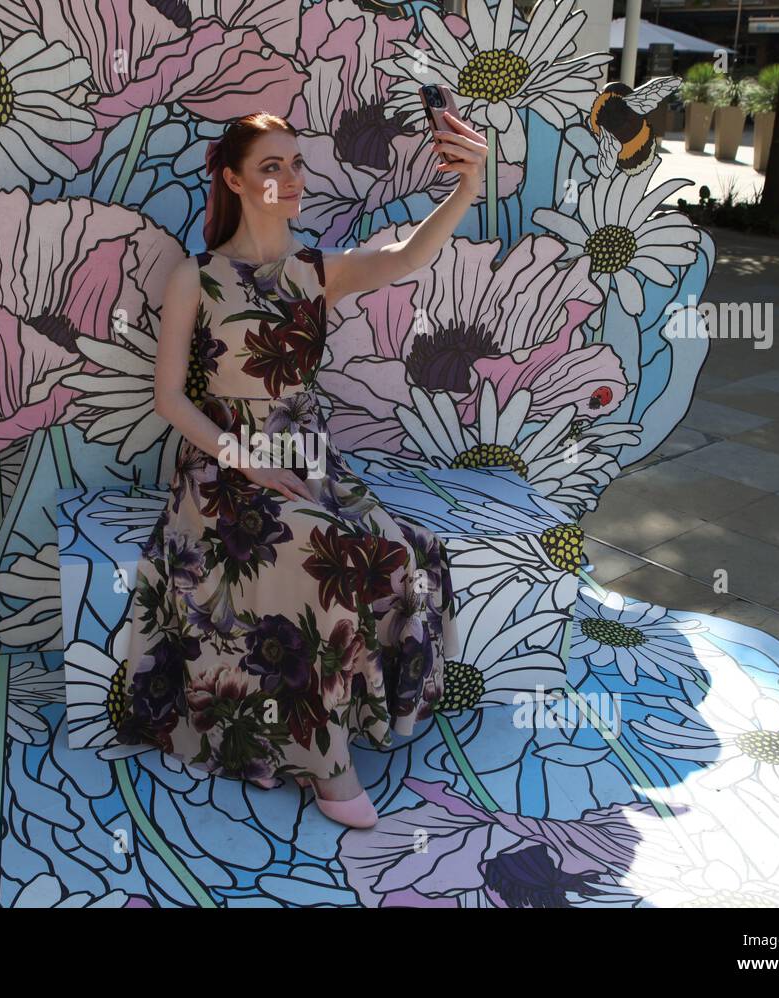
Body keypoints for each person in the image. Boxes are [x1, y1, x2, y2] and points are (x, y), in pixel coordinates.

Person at [114, 108, 489, 828]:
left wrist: (465, 190)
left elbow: (408, 255)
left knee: (406, 552)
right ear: (232, 179)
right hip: (223, 464)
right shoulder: (197, 277)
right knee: (318, 553)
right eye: (270, 166)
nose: (290, 179)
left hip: (311, 454)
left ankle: (371, 713)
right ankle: (327, 763)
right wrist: (245, 463)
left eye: (295, 163)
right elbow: (169, 399)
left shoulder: (319, 270)